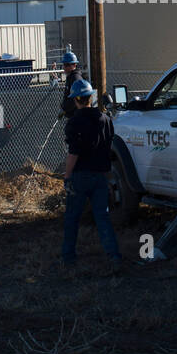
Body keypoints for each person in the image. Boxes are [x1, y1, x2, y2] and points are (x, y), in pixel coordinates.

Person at [61, 78, 122, 268]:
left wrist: (67, 175)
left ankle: (68, 258)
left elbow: (73, 153)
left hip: (80, 175)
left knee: (72, 217)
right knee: (102, 217)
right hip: (100, 176)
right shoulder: (105, 119)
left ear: (76, 100)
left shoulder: (74, 122)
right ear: (90, 98)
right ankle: (113, 256)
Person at [59, 48, 82, 118]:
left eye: (67, 65)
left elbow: (75, 98)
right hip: (72, 115)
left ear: (74, 65)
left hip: (76, 115)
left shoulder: (75, 78)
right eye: (64, 65)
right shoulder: (70, 77)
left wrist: (64, 109)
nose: (64, 67)